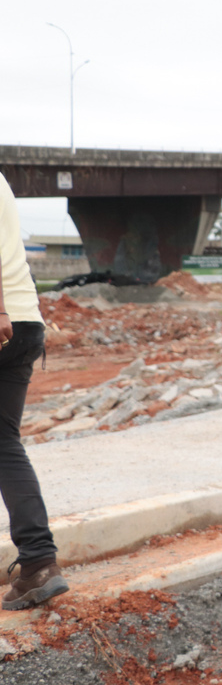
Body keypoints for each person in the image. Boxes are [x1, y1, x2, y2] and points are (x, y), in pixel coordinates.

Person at [0, 172, 70, 611]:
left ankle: (40, 561)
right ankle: (39, 564)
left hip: (6, 316)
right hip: (26, 323)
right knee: (4, 442)